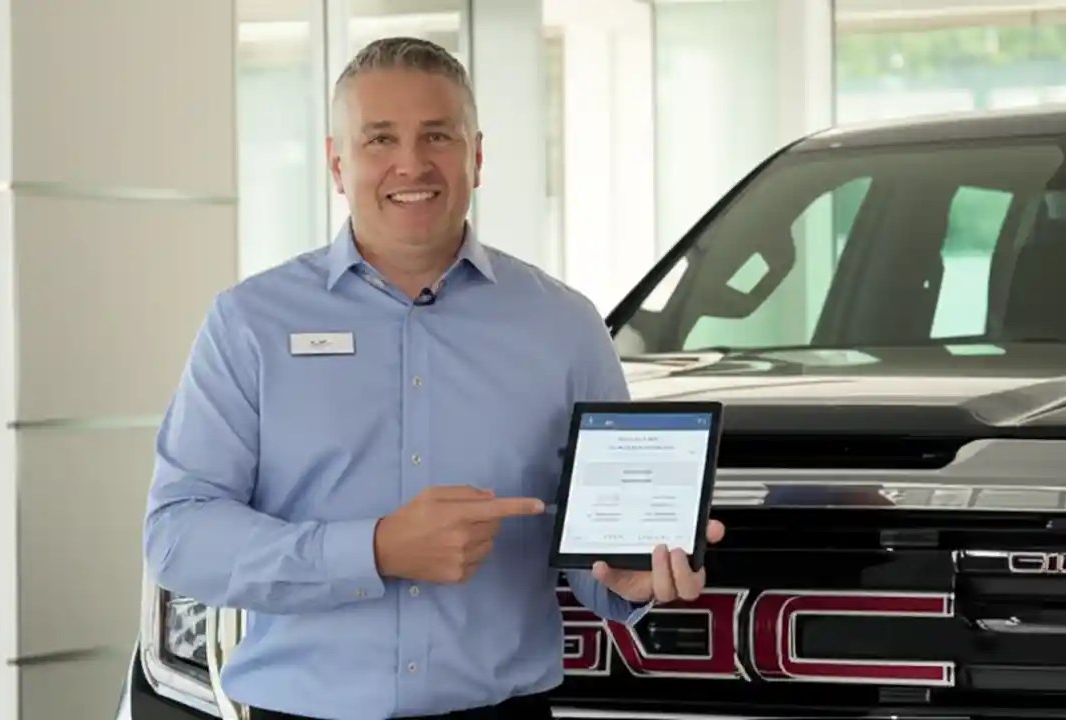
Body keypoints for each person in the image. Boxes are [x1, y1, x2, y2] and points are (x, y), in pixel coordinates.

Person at [143, 36, 724, 720]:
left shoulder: (564, 326)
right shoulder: (249, 323)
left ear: (476, 154)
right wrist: (376, 548)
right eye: (379, 139)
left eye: (437, 136)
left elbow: (591, 546)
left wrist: (623, 581)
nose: (411, 163)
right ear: (337, 163)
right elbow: (178, 537)